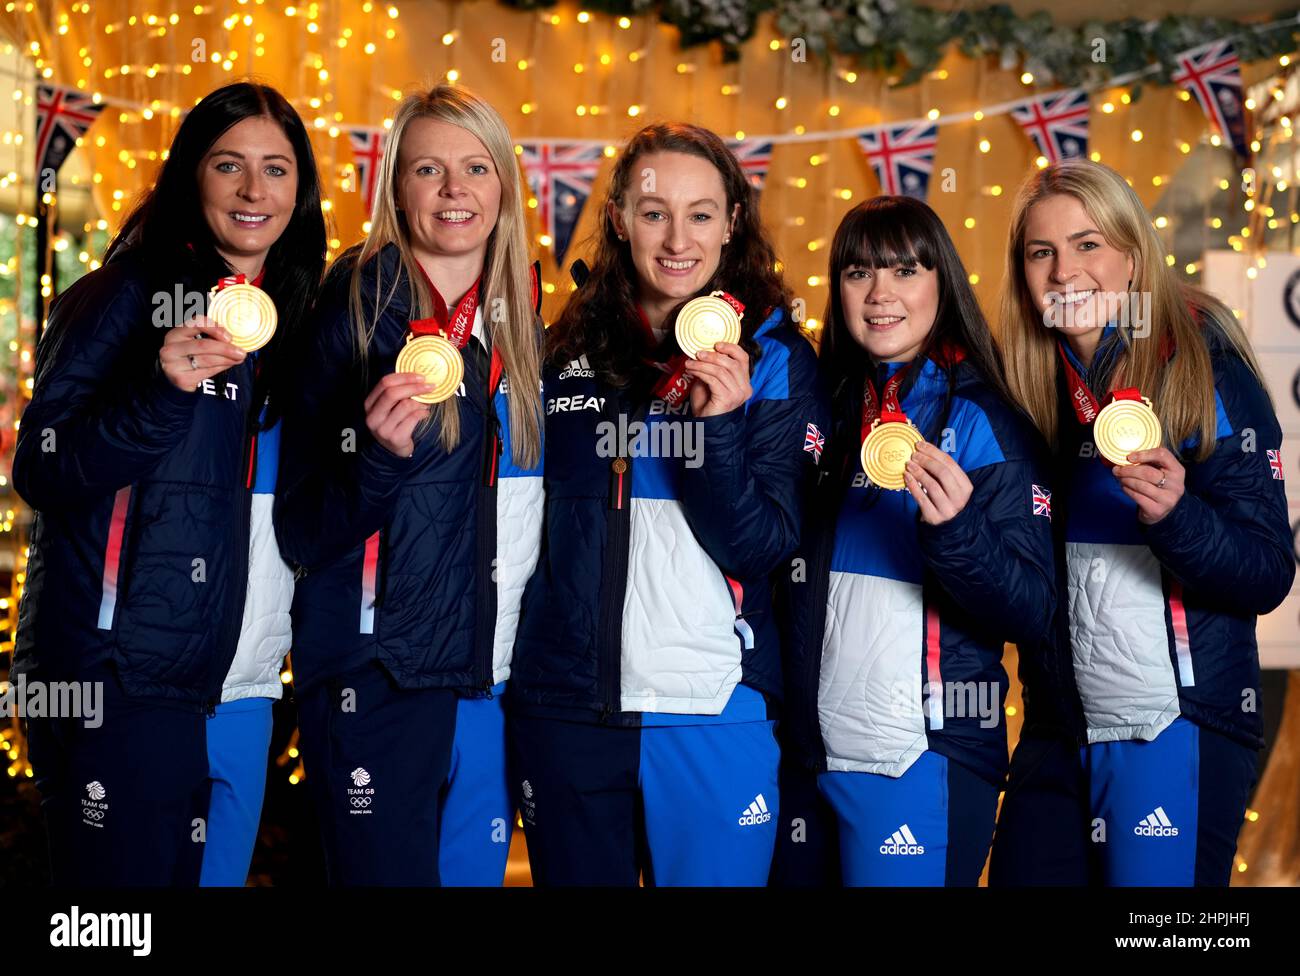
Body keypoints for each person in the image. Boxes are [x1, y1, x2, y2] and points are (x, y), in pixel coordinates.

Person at [12, 81, 326, 886]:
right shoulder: (124, 294)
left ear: (302, 188)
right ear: (192, 176)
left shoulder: (278, 325)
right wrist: (158, 394)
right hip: (112, 673)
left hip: (203, 681)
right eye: (230, 166)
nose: (255, 191)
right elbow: (42, 466)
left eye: (277, 169)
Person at [506, 122, 827, 886]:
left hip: (716, 705)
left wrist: (716, 431)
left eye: (701, 214)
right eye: (654, 213)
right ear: (619, 218)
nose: (677, 238)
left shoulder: (777, 356)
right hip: (569, 706)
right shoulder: (563, 349)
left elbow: (760, 546)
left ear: (733, 222)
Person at [990, 158, 1294, 886]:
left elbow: (1267, 571)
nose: (1066, 272)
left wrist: (1180, 517)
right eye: (1042, 252)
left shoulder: (1204, 367)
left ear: (1132, 254)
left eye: (1088, 245)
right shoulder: (1029, 392)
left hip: (1175, 727)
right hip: (1060, 732)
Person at [274, 84, 543, 886]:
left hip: (489, 678)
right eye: (429, 168)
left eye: (474, 167)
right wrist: (378, 462)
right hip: (377, 675)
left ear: (504, 186)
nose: (455, 190)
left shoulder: (523, 320)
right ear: (395, 185)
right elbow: (302, 529)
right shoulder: (353, 306)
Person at [774, 196, 1055, 886]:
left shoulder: (987, 417)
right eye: (859, 272)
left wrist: (958, 533)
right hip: (807, 760)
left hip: (921, 757)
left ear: (942, 283)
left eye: (905, 270)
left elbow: (1034, 610)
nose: (880, 294)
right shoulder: (824, 408)